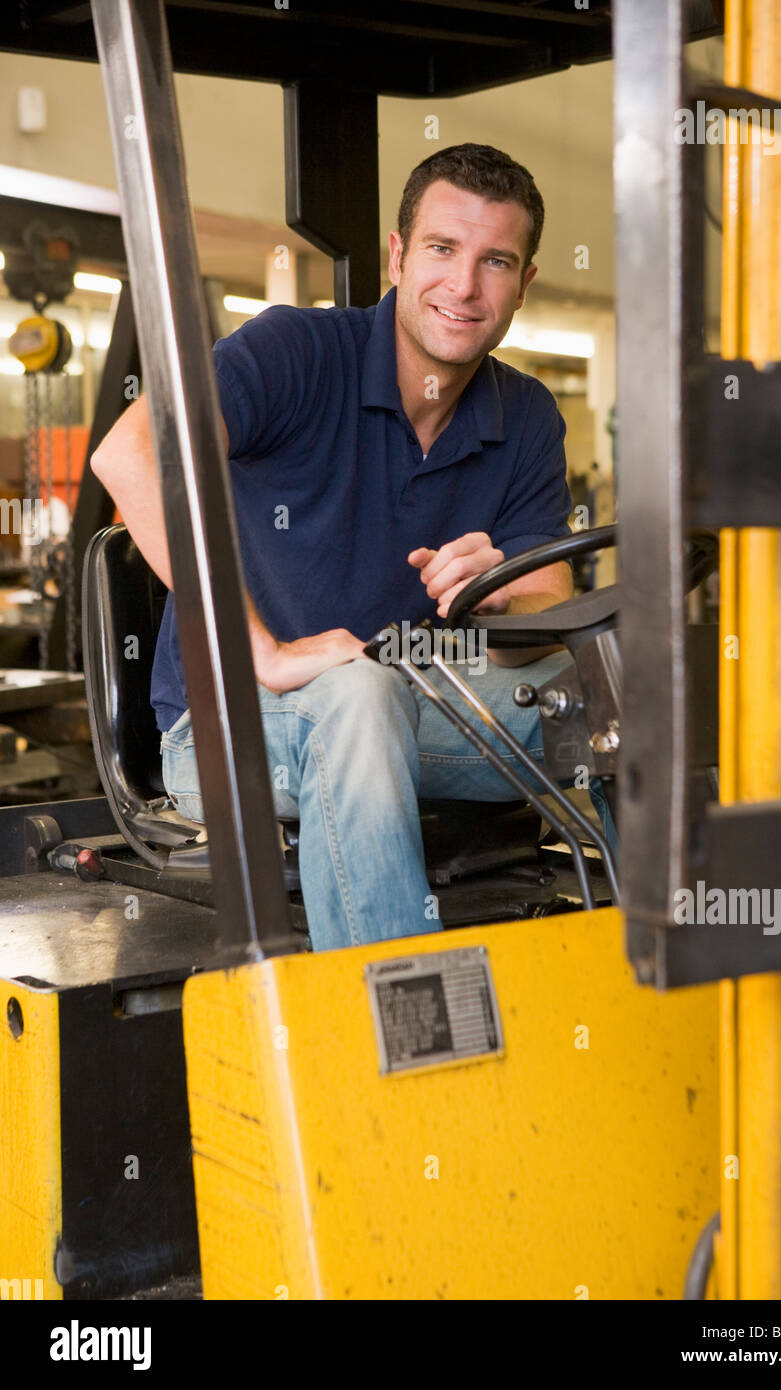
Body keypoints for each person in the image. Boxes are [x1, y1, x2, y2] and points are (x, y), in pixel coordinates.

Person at [92, 142, 577, 952]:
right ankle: (387, 1039)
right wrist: (266, 652)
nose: (464, 285)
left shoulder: (525, 415)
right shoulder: (297, 353)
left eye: (496, 261)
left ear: (523, 284)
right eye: (442, 249)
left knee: (615, 691)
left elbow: (551, 611)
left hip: (421, 712)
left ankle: (695, 1011)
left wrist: (510, 590)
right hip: (231, 730)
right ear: (397, 255)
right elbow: (133, 454)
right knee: (360, 694)